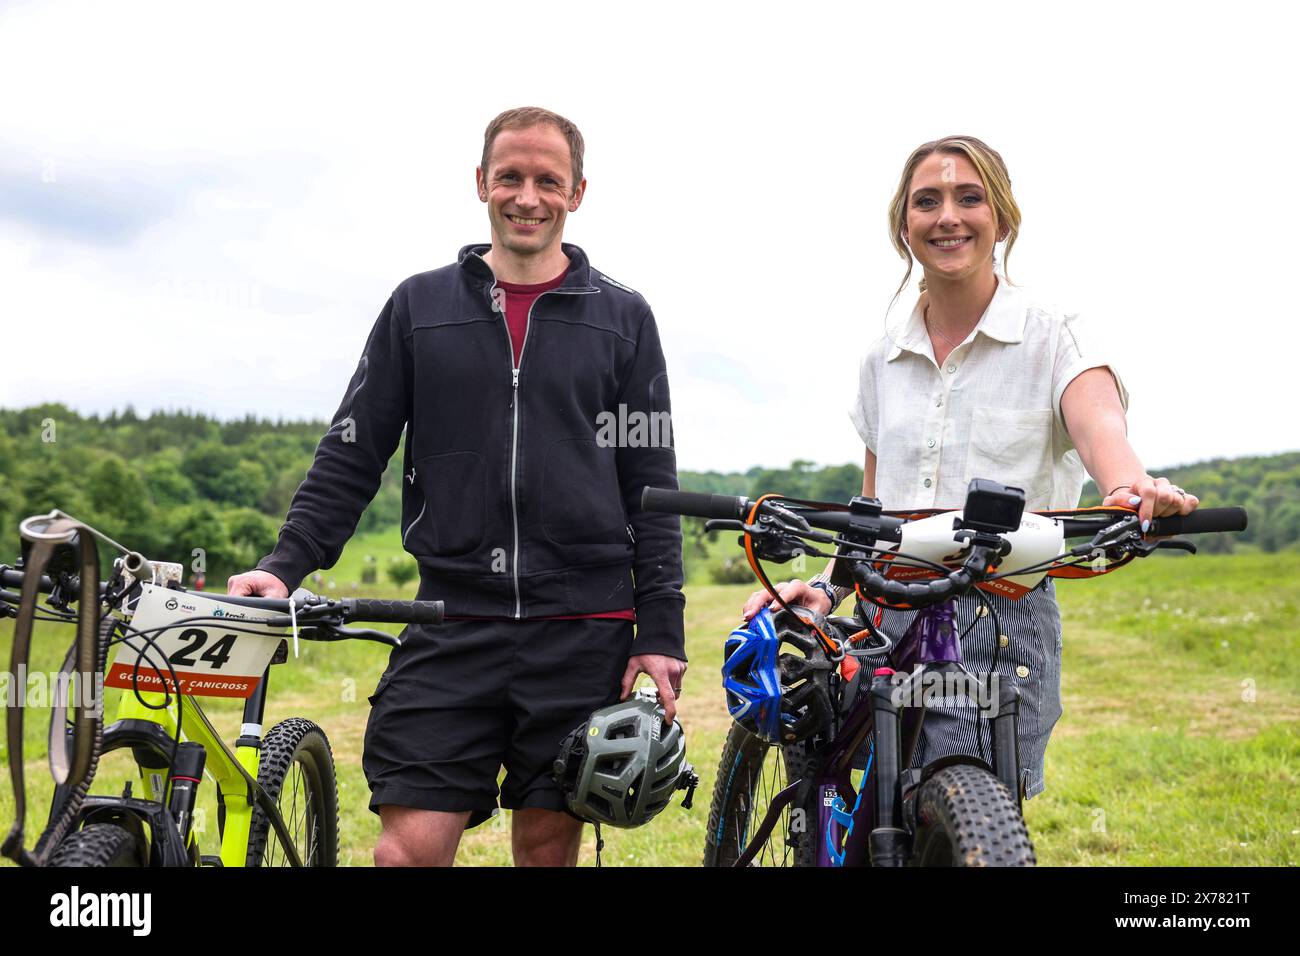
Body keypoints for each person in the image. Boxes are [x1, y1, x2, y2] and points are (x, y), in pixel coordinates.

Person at [228, 107, 687, 866]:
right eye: (510, 177)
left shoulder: (623, 317)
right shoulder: (419, 307)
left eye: (548, 180)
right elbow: (352, 452)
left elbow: (651, 480)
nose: (528, 197)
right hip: (449, 620)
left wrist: (661, 629)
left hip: (583, 627)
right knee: (403, 854)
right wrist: (283, 567)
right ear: (482, 183)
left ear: (578, 192)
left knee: (545, 851)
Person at [741, 135, 1199, 799]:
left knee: (969, 814)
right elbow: (877, 509)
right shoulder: (882, 360)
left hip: (1002, 617)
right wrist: (828, 586)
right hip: (886, 610)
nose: (948, 216)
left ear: (1003, 219)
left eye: (969, 198)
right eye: (927, 202)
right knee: (865, 803)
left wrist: (1131, 490)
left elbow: (1103, 430)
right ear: (904, 228)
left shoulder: (1054, 334)